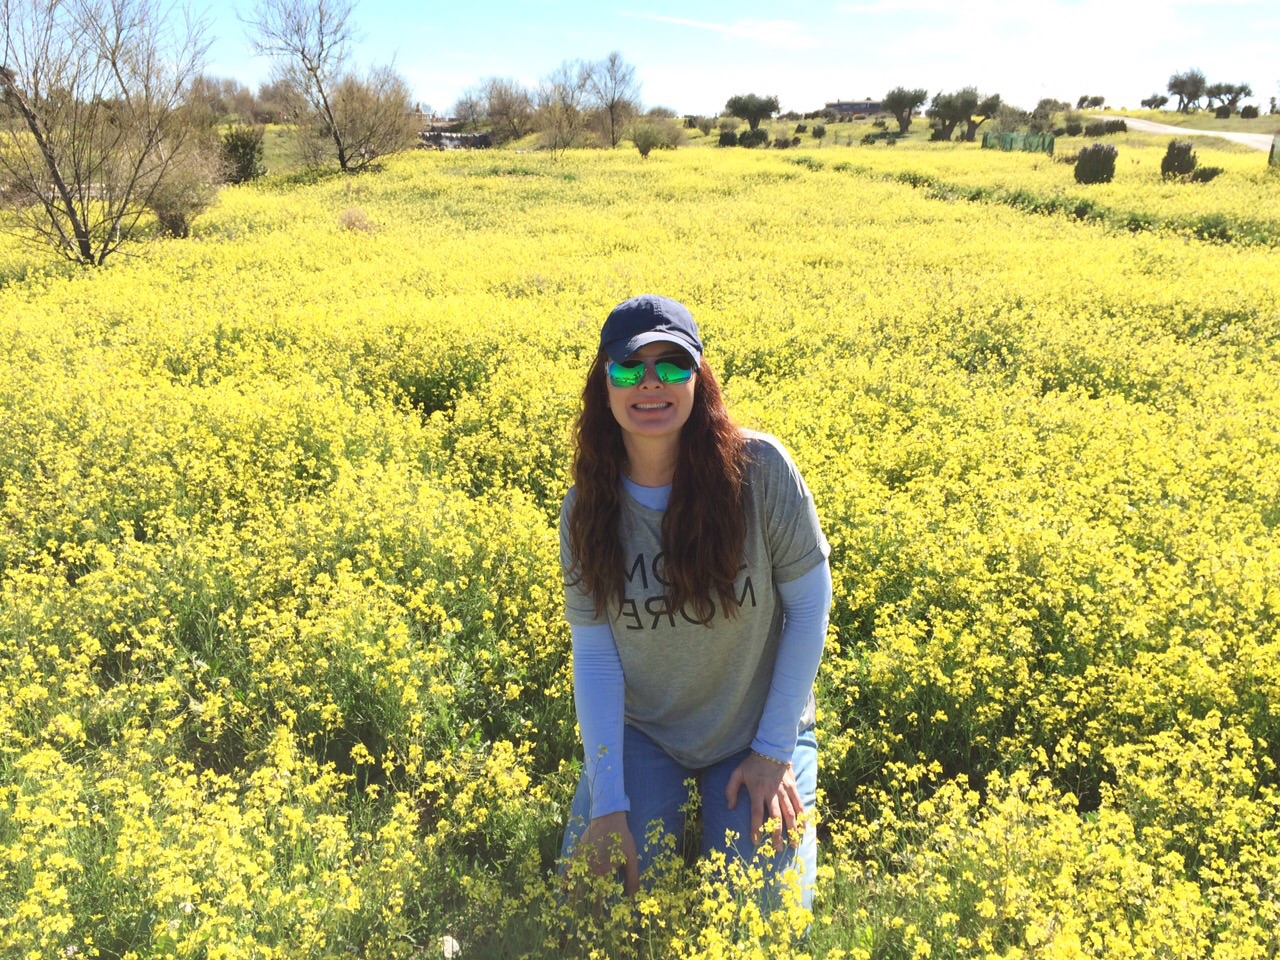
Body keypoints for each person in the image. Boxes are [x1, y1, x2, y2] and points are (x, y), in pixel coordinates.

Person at [558, 293, 832, 910]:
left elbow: (810, 606)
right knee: (595, 913)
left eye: (672, 366)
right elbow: (597, 658)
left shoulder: (760, 471)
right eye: (629, 369)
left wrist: (772, 751)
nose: (650, 384)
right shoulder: (587, 510)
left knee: (762, 924)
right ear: (603, 384)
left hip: (753, 729)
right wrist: (608, 806)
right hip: (647, 731)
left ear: (698, 377)